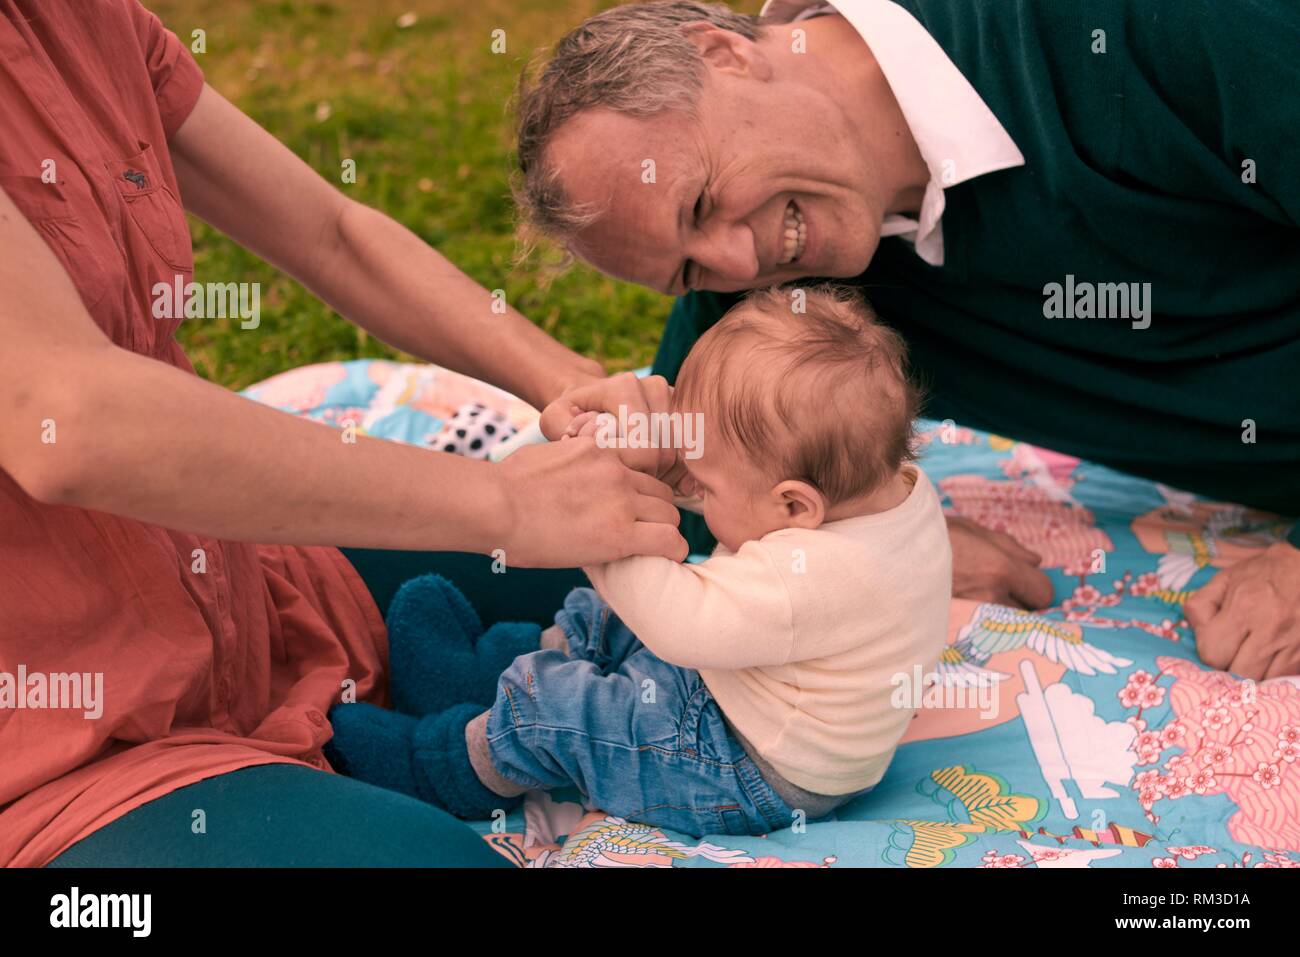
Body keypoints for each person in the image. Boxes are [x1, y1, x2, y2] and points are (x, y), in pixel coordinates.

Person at [0, 0, 685, 866]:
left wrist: (569, 387)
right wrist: (503, 501)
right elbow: (66, 420)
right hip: (57, 754)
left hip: (241, 598)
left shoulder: (76, 18)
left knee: (669, 537)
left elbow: (332, 233)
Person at [514, 0, 1300, 679]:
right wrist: (882, 543)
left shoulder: (1149, 25)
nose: (738, 262)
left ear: (723, 54)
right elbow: (678, 507)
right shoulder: (780, 303)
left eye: (700, 203)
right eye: (689, 272)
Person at [322, 285, 952, 837]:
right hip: (760, 689)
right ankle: (477, 672)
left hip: (747, 765)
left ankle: (443, 765)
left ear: (794, 505)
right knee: (616, 615)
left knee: (570, 708)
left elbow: (680, 629)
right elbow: (744, 501)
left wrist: (598, 530)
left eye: (703, 483)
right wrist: (684, 467)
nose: (693, 489)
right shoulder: (885, 489)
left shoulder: (812, 583)